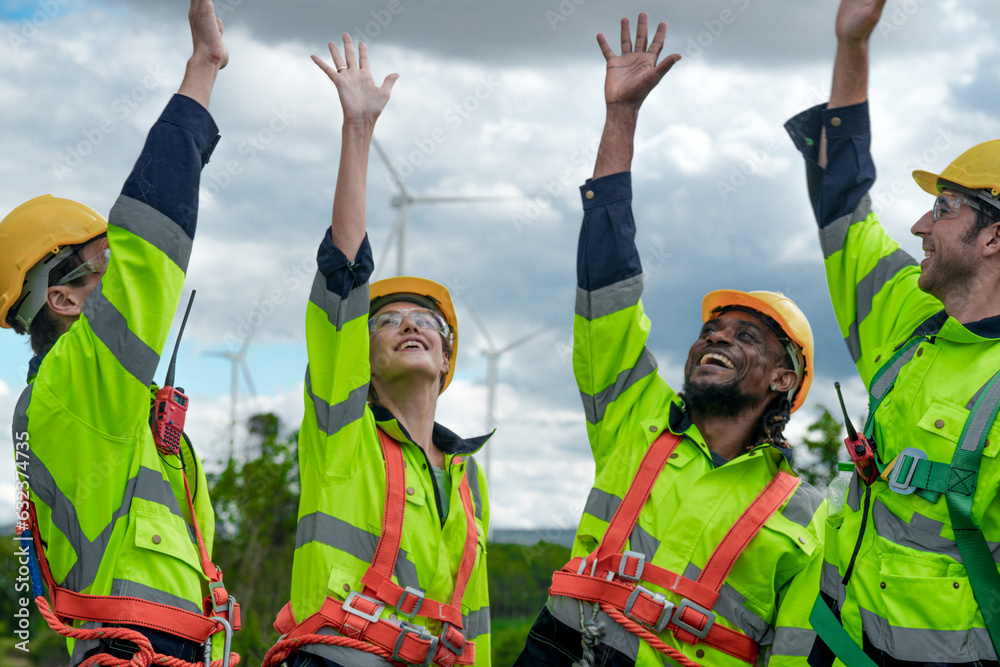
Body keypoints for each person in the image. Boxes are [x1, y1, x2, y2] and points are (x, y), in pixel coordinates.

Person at [514, 14, 825, 667]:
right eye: (711, 328)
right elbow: (606, 286)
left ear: (782, 380)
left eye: (745, 335)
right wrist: (621, 118)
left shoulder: (805, 517)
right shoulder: (634, 417)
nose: (715, 336)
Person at [0, 1, 237, 666]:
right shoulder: (71, 386)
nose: (122, 273)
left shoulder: (119, 412)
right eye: (106, 262)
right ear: (63, 298)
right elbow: (152, 235)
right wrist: (201, 75)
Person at [262, 35, 491, 667]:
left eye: (428, 322)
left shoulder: (468, 479)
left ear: (447, 361)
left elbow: (475, 620)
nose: (410, 326)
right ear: (360, 354)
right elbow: (342, 276)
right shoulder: (342, 428)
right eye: (386, 320)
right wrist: (358, 130)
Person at [784, 0, 1000, 665]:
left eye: (943, 208)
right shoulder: (906, 314)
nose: (919, 227)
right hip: (839, 647)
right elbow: (845, 202)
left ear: (993, 237)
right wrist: (853, 44)